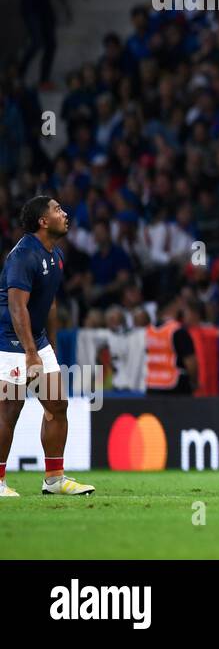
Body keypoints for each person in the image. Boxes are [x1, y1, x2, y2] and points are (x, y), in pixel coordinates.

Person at [0, 196, 94, 498]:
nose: (64, 213)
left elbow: (49, 302)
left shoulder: (56, 255)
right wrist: (29, 352)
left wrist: (47, 345)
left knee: (57, 406)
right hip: (9, 342)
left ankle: (54, 479)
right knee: (9, 410)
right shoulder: (22, 256)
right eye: (57, 210)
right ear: (43, 221)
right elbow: (17, 308)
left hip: (36, 341)